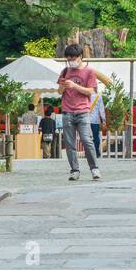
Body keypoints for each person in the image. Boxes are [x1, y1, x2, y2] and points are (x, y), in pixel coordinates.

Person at [57, 44, 113, 181]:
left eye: (73, 58)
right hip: (67, 111)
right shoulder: (65, 71)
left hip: (82, 111)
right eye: (68, 58)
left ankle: (94, 168)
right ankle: (74, 170)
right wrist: (63, 86)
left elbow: (91, 91)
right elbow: (59, 91)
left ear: (80, 57)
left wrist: (74, 85)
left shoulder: (88, 72)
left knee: (87, 141)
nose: (71, 61)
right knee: (70, 144)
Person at [88, 89, 107, 156]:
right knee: (96, 136)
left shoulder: (85, 94)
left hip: (85, 119)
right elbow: (101, 109)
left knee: (87, 137)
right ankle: (96, 152)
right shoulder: (98, 96)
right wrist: (104, 120)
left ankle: (88, 152)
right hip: (95, 120)